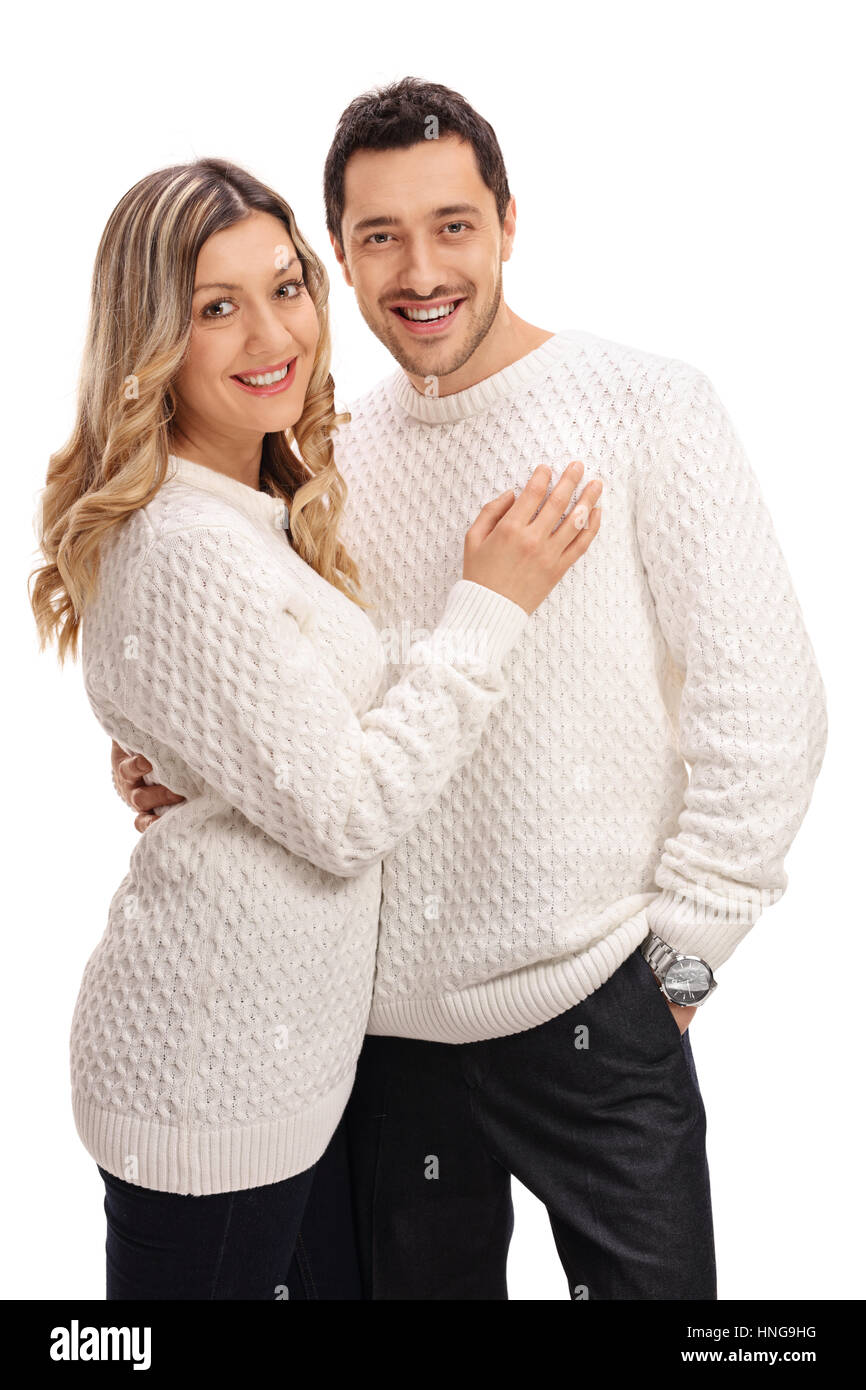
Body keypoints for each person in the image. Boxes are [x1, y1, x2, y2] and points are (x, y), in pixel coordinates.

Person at [112, 76, 829, 1301]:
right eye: (378, 236)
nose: (419, 268)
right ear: (336, 254)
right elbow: (289, 690)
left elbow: (768, 716)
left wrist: (681, 969)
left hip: (599, 1008)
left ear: (507, 222)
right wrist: (183, 754)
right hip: (383, 1041)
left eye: (451, 224)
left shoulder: (647, 407)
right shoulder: (324, 454)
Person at [28, 155, 602, 1300]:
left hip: (285, 1079)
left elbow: (282, 724)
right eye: (214, 307)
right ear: (151, 339)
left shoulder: (253, 502)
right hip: (208, 1090)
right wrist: (488, 607)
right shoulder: (188, 547)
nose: (266, 335)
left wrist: (190, 750)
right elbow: (347, 814)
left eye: (285, 287)